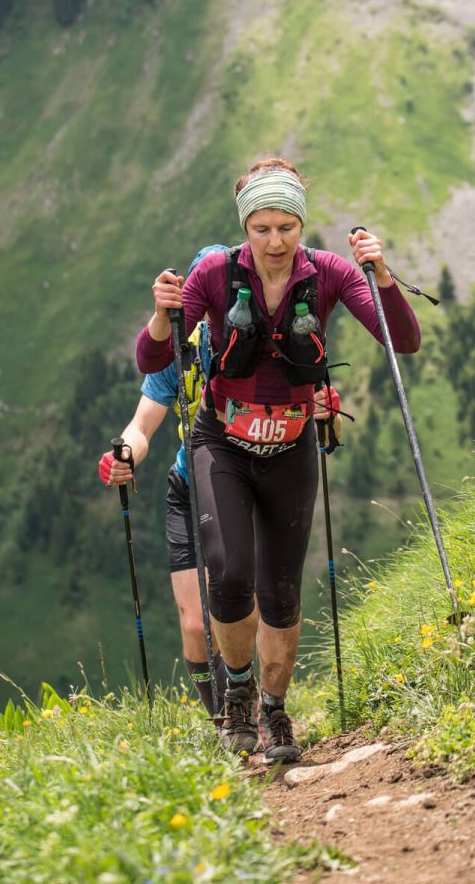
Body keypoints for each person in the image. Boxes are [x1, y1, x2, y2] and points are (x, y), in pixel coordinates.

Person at [134, 158, 421, 764]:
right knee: (231, 575)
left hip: (290, 447)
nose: (275, 241)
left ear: (300, 224)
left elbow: (404, 340)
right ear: (246, 227)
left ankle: (274, 710)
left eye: (286, 227)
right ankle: (237, 694)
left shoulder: (331, 273)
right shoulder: (214, 273)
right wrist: (162, 314)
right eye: (262, 228)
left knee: (283, 594)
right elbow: (150, 358)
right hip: (222, 445)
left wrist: (384, 276)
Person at [97, 245, 229, 719]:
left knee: (230, 612)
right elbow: (143, 424)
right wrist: (124, 455)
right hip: (186, 485)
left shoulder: (250, 336)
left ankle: (246, 707)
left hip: (241, 484)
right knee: (195, 623)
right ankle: (221, 719)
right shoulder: (181, 345)